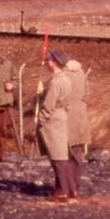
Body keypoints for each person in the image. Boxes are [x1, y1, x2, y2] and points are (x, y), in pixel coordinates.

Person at [35, 49, 73, 200]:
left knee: (58, 157)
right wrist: (43, 91)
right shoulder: (65, 79)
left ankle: (62, 190)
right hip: (61, 116)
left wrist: (40, 121)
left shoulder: (56, 82)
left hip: (53, 121)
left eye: (49, 60)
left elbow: (49, 105)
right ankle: (64, 188)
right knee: (61, 155)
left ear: (55, 63)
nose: (47, 63)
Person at [64, 56, 91, 199]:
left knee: (64, 155)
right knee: (77, 154)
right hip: (81, 116)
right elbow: (87, 93)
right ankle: (75, 186)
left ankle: (68, 188)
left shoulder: (63, 76)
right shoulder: (82, 73)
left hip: (67, 117)